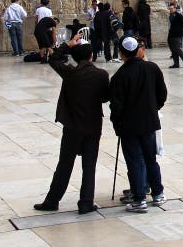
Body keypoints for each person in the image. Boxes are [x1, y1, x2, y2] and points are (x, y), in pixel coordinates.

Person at [33, 34, 109, 215]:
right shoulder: (101, 75)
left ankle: (52, 201)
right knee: (89, 166)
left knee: (65, 164)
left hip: (72, 126)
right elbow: (105, 97)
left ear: (75, 58)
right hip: (92, 126)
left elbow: (53, 58)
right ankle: (86, 203)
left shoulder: (70, 73)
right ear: (91, 56)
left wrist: (68, 44)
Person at [109, 37, 167, 213]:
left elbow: (116, 106)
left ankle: (139, 199)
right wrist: (152, 108)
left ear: (121, 53)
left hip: (129, 126)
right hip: (149, 122)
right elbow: (162, 94)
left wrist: (117, 125)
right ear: (138, 51)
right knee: (151, 159)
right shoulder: (152, 68)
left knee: (135, 162)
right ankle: (158, 194)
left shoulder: (120, 76)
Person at [167, 3, 183, 68]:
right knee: (173, 50)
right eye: (170, 9)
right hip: (171, 35)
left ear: (175, 9)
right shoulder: (170, 16)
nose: (170, 10)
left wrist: (180, 31)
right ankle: (176, 64)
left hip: (177, 35)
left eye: (172, 8)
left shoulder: (179, 16)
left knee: (177, 48)